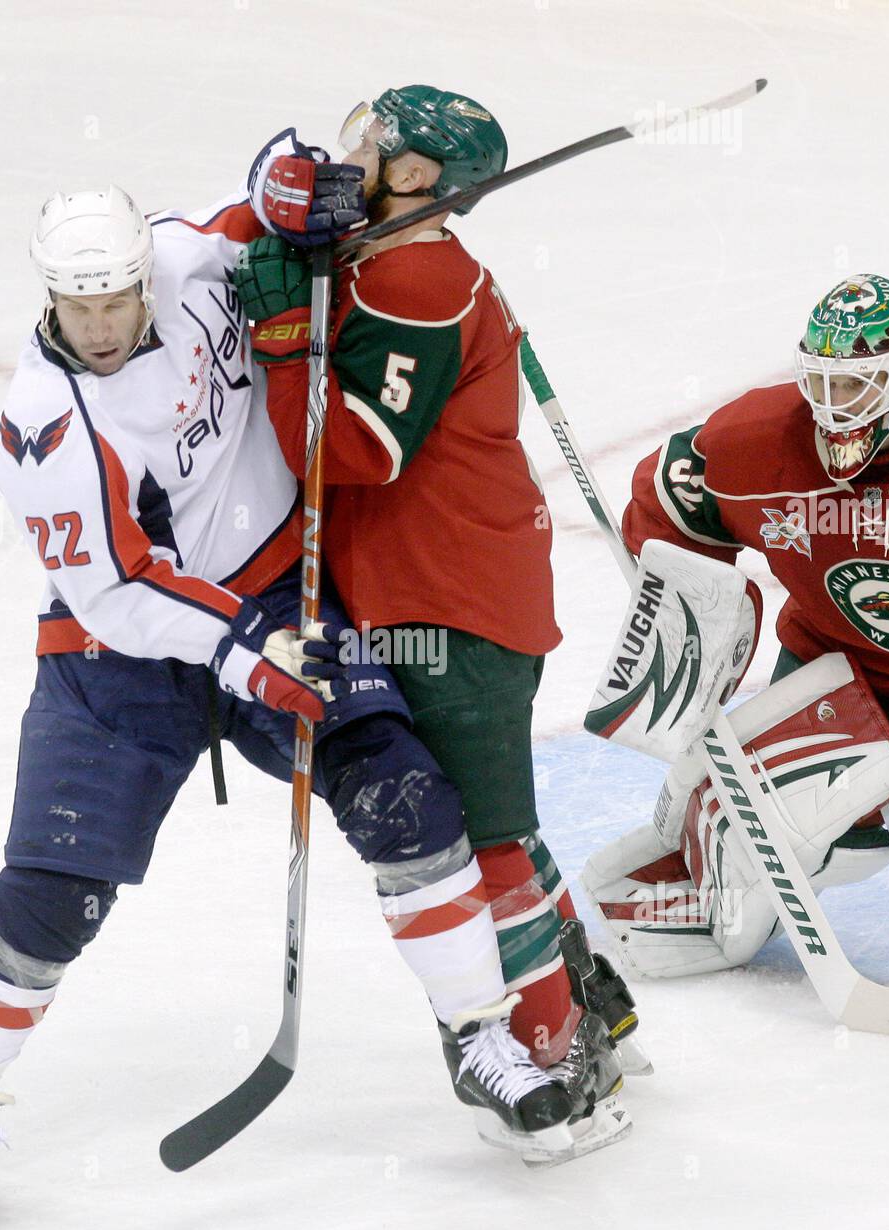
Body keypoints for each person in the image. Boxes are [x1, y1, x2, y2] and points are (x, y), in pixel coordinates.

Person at [0, 155, 585, 1230]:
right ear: (51, 299)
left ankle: (477, 1034)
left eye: (117, 298)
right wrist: (247, 655)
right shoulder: (44, 427)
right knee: (52, 893)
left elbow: (257, 201)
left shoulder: (173, 257)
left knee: (406, 797)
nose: (107, 321)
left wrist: (294, 181)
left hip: (275, 592)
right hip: (120, 655)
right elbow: (121, 590)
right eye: (83, 306)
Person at [235, 86, 646, 1151]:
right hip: (457, 587)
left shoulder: (420, 271)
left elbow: (355, 453)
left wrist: (287, 338)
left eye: (380, 145)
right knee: (497, 817)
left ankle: (554, 1060)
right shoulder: (401, 252)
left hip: (450, 605)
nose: (356, 150)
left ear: (418, 178)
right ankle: (590, 998)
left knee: (483, 839)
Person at [584, 273, 889, 978]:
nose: (835, 408)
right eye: (824, 383)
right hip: (842, 665)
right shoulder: (756, 442)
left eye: (858, 385)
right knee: (756, 846)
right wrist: (689, 616)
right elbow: (668, 502)